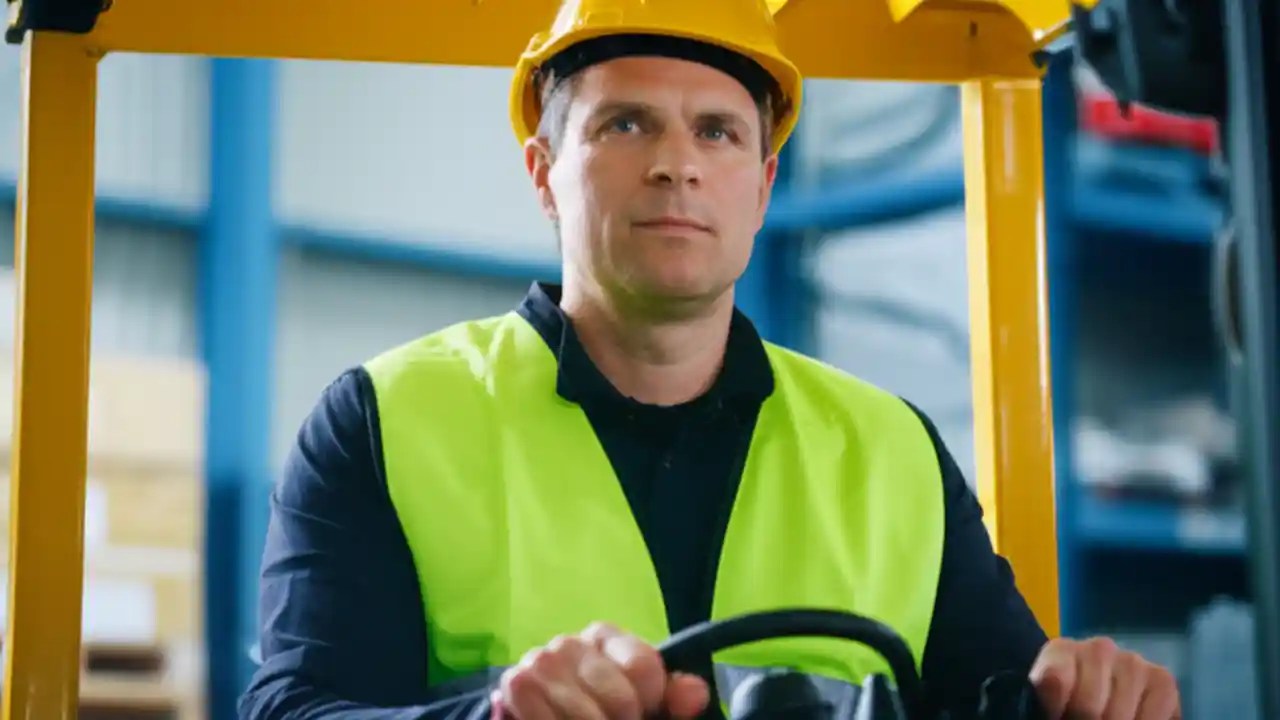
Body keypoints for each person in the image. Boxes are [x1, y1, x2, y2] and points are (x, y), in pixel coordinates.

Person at [239, 1, 1183, 719]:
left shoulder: (890, 449)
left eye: (718, 131)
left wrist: (1080, 693)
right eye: (625, 124)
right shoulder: (385, 423)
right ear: (542, 174)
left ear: (765, 186)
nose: (676, 165)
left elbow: (999, 692)